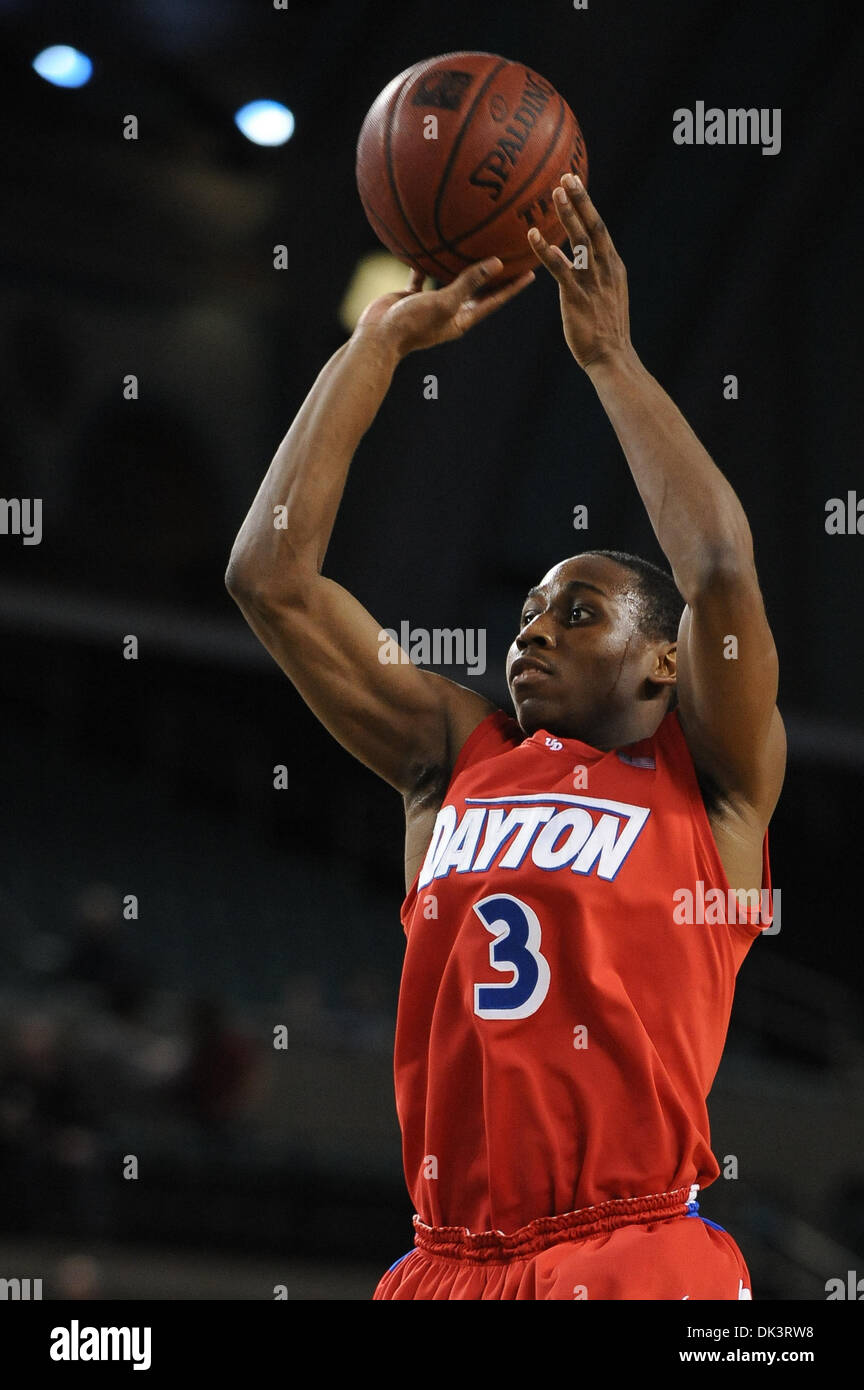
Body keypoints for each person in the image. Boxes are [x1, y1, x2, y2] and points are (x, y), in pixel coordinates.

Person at [226, 173, 785, 1300]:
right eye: (526, 611)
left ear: (664, 660)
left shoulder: (709, 782)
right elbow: (269, 577)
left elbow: (719, 563)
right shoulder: (454, 755)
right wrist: (374, 348)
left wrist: (609, 362)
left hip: (634, 1251)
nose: (532, 630)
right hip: (445, 1261)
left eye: (577, 611)